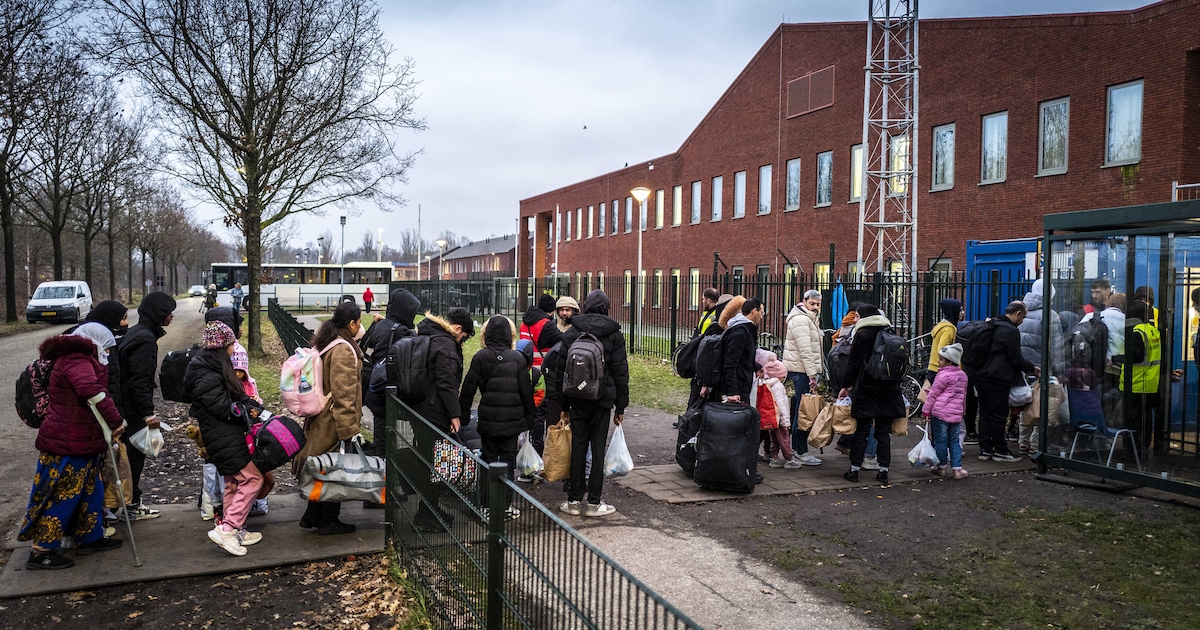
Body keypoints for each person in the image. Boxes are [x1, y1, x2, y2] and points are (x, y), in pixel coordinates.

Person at [19, 324, 127, 570]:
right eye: (106, 348)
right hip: (67, 442)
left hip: (81, 440)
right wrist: (116, 421)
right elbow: (92, 392)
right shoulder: (76, 360)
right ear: (95, 342)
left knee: (90, 492)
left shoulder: (78, 358)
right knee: (62, 495)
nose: (107, 354)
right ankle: (41, 551)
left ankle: (89, 536)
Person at [184, 321, 264, 556]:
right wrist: (245, 411)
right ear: (221, 347)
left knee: (232, 482)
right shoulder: (209, 374)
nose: (232, 349)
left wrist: (254, 406)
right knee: (253, 479)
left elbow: (235, 396)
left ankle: (236, 529)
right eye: (230, 344)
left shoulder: (213, 368)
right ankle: (227, 529)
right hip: (223, 436)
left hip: (223, 435)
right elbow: (222, 406)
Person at [552, 290, 629, 518]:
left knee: (578, 448)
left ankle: (574, 500)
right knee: (597, 450)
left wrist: (564, 405)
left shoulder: (572, 331)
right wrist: (620, 407)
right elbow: (621, 372)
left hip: (577, 399)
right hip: (602, 399)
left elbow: (561, 371)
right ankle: (594, 502)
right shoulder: (613, 334)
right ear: (606, 308)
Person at [293, 301, 365, 535]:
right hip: (333, 422)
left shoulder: (328, 341)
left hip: (322, 418)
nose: (360, 326)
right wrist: (348, 430)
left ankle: (311, 515)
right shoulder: (343, 349)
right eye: (359, 322)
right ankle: (328, 521)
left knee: (323, 468)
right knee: (334, 470)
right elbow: (344, 393)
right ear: (351, 324)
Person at [459, 316, 535, 520]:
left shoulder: (480, 357)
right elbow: (526, 392)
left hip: (488, 420)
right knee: (508, 463)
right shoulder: (518, 359)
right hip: (512, 420)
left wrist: (463, 416)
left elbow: (468, 390)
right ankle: (505, 505)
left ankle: (486, 505)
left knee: (488, 460)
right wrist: (529, 419)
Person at [412, 307, 475, 531]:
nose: (463, 343)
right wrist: (454, 414)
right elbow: (446, 382)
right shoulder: (445, 345)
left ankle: (429, 508)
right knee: (435, 463)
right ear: (457, 328)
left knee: (428, 460)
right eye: (464, 338)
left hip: (421, 407)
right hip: (434, 411)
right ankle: (426, 513)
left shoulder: (429, 334)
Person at [116, 291, 176, 520]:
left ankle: (125, 504)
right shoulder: (145, 339)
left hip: (125, 407)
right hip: (132, 410)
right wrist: (147, 413)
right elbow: (138, 380)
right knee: (134, 457)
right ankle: (131, 506)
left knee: (128, 457)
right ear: (159, 313)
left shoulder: (137, 333)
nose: (171, 317)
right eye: (168, 312)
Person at [839, 304, 905, 484]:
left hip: (866, 388)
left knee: (862, 432)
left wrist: (845, 386)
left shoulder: (862, 335)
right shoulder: (889, 332)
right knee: (883, 433)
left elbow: (853, 363)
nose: (856, 319)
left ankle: (854, 470)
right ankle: (883, 471)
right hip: (889, 389)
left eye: (858, 316)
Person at [976, 301, 1039, 462]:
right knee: (998, 415)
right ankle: (1000, 450)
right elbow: (1015, 359)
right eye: (1023, 317)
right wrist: (1032, 368)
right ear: (1018, 313)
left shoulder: (992, 324)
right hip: (999, 378)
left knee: (985, 414)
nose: (1023, 321)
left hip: (982, 375)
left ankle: (985, 449)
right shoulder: (1011, 331)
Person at [360, 288, 421, 419]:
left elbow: (366, 344)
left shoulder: (379, 325)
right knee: (390, 428)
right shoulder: (402, 331)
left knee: (380, 425)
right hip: (392, 388)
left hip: (376, 385)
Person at [1017, 279, 1063, 452]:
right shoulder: (1050, 315)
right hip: (1041, 366)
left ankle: (1023, 441)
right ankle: (1036, 444)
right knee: (1041, 403)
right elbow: (1057, 345)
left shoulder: (1021, 311)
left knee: (1025, 402)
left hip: (1022, 365)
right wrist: (1059, 369)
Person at [783, 290, 824, 466]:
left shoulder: (809, 319)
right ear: (804, 302)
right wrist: (812, 375)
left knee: (800, 410)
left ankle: (797, 448)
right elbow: (805, 350)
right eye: (812, 303)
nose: (815, 307)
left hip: (802, 370)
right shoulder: (801, 320)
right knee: (803, 412)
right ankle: (800, 450)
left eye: (818, 304)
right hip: (802, 371)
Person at [1117, 301, 1163, 453]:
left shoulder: (1137, 332)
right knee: (1146, 418)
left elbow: (1136, 357)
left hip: (1136, 383)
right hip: (1151, 384)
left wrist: (1118, 359)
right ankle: (1144, 446)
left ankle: (1134, 451)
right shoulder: (1154, 332)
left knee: (1134, 420)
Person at [521, 294, 564, 456]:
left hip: (528, 370)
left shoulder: (525, 322)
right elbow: (562, 341)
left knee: (532, 408)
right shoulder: (546, 325)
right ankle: (538, 449)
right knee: (542, 411)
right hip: (543, 372)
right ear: (552, 311)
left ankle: (531, 445)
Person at [923, 343, 969, 479]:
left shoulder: (943, 375)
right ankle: (957, 470)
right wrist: (963, 410)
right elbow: (963, 395)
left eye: (941, 359)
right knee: (954, 442)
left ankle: (941, 467)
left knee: (940, 442)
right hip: (956, 414)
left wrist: (926, 411)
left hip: (940, 414)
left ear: (949, 362)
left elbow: (933, 394)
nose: (938, 361)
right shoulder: (963, 375)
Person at [757, 348, 798, 469]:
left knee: (773, 439)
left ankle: (774, 458)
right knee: (784, 440)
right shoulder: (778, 386)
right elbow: (781, 405)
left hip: (772, 417)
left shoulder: (766, 384)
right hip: (780, 418)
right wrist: (786, 422)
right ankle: (789, 459)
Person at [927, 299, 963, 383]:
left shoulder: (942, 326)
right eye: (960, 310)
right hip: (941, 370)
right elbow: (943, 350)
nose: (963, 312)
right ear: (953, 311)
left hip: (933, 367)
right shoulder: (948, 329)